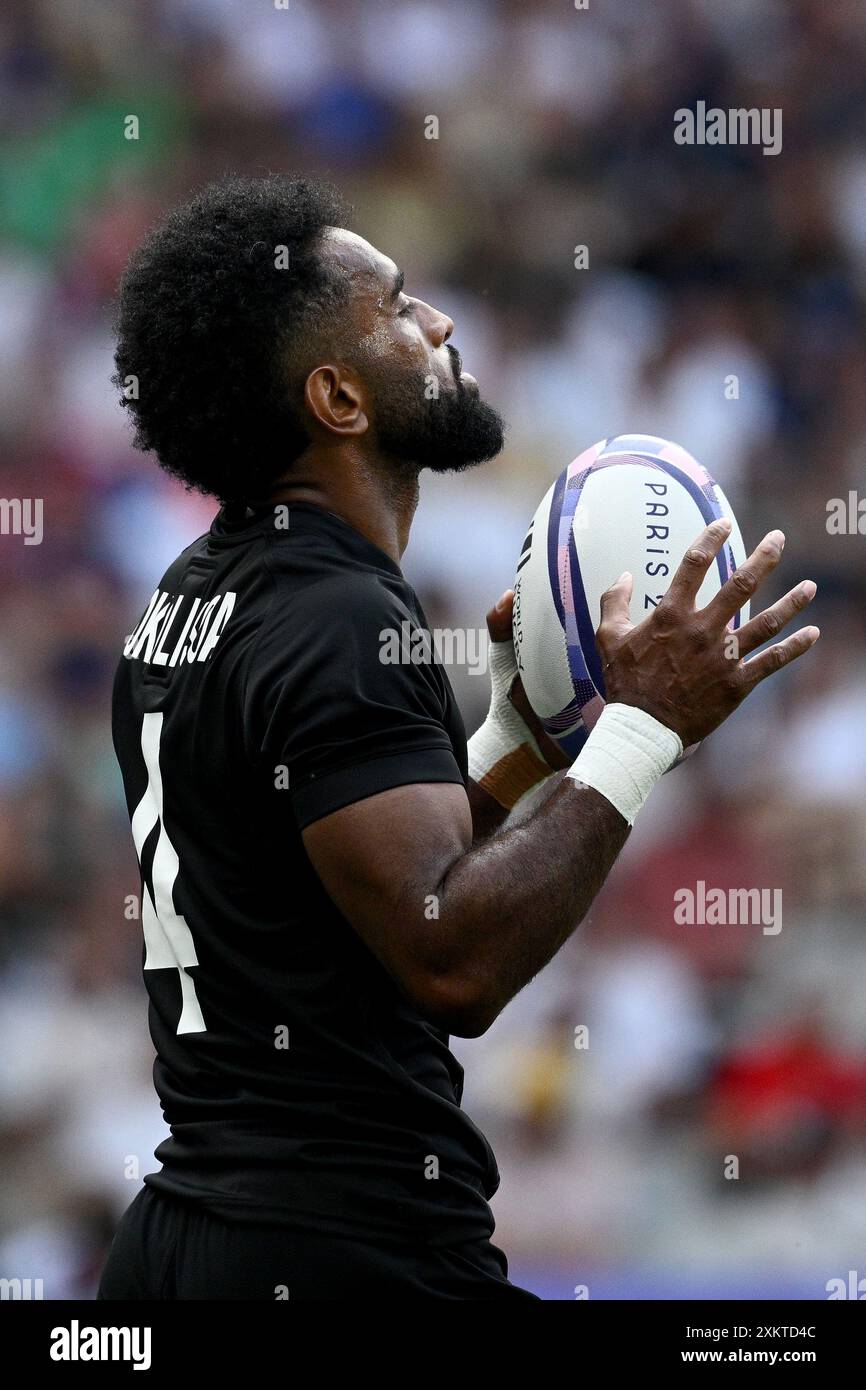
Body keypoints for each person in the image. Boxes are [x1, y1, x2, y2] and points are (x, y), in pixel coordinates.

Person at [99, 175, 819, 1300]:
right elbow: (448, 960)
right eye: (395, 307)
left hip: (191, 1238)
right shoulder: (333, 616)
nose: (437, 322)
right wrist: (639, 727)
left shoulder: (191, 596)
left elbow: (347, 903)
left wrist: (515, 748)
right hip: (344, 1248)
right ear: (336, 399)